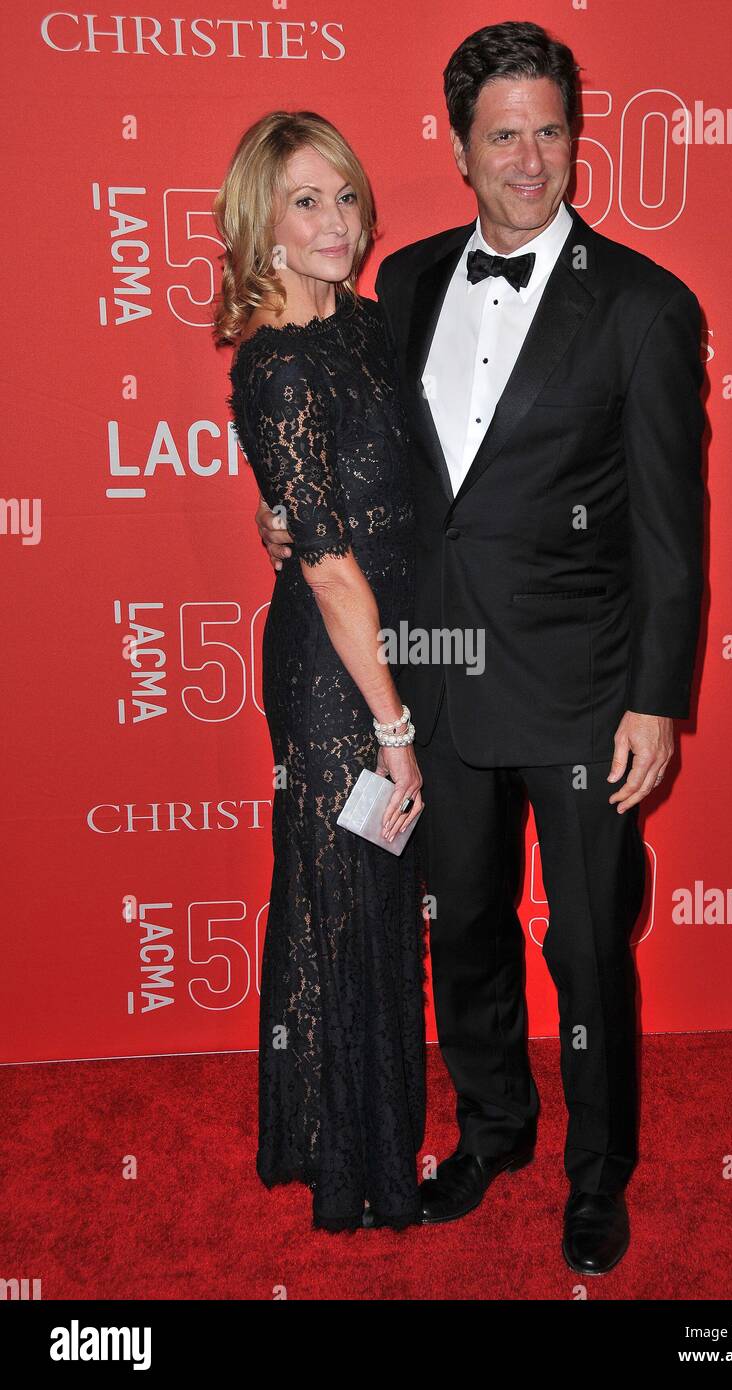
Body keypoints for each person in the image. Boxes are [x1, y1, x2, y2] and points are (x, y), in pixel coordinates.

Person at [256, 21, 706, 1274]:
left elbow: (672, 531)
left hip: (577, 687)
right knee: (459, 927)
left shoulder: (644, 306)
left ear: (575, 137)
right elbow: (346, 454)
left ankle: (597, 1168)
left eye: (549, 129)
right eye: (501, 132)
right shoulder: (397, 284)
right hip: (427, 677)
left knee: (582, 943)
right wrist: (286, 512)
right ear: (457, 147)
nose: (528, 156)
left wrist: (653, 698)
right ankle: (494, 1127)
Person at [213, 110, 426, 1232]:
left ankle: (332, 1125)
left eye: (342, 193)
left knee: (368, 897)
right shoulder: (278, 367)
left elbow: (364, 491)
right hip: (340, 676)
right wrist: (392, 727)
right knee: (339, 896)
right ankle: (350, 1163)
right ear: (264, 226)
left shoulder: (371, 328)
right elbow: (333, 569)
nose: (334, 220)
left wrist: (279, 509)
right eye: (304, 201)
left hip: (394, 655)